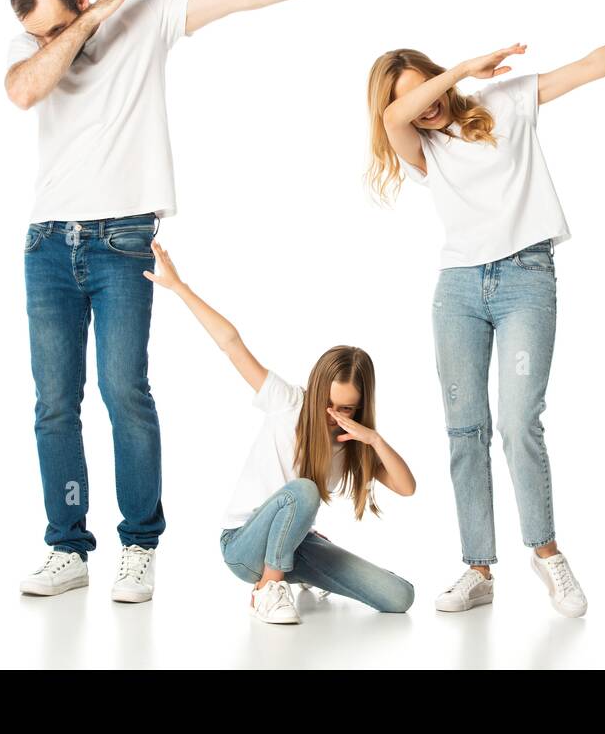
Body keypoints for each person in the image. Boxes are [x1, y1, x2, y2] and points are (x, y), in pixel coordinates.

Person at [11, 0, 402, 603]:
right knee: (53, 403)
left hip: (123, 239)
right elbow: (22, 90)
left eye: (53, 25)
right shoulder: (40, 49)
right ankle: (66, 545)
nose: (46, 43)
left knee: (124, 392)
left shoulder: (148, 19)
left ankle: (138, 546)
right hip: (48, 244)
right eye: (37, 34)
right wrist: (78, 25)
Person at [364, 0, 605, 617]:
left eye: (426, 89)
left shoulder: (504, 104)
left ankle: (548, 554)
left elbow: (595, 64)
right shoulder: (418, 145)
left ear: (435, 78)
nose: (425, 107)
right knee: (464, 431)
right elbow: (394, 113)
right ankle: (477, 569)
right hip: (457, 290)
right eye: (413, 99)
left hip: (526, 278)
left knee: (516, 423)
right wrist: (457, 70)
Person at [145, 242, 417, 624]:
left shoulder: (352, 441)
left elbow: (407, 487)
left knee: (400, 596)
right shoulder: (288, 402)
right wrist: (180, 286)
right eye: (328, 402)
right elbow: (230, 343)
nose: (332, 415)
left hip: (298, 543)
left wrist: (372, 439)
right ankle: (268, 589)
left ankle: (296, 565)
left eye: (346, 408)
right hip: (243, 545)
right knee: (303, 489)